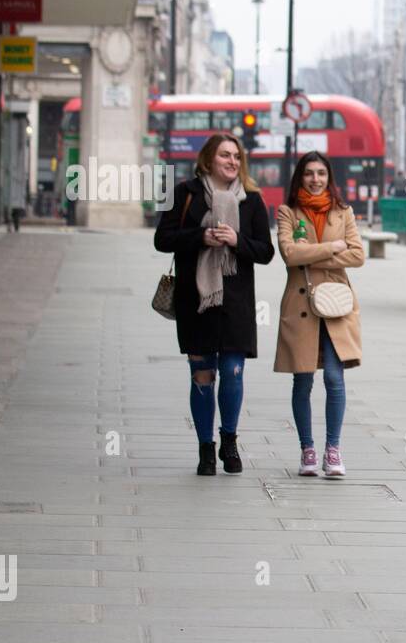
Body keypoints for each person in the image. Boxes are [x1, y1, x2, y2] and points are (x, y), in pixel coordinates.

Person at [153, 134, 275, 476]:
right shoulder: (185, 194)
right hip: (197, 300)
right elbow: (162, 239)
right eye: (225, 155)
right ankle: (206, 449)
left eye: (237, 156)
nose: (232, 162)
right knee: (202, 375)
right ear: (208, 159)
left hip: (236, 301)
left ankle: (230, 441)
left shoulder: (252, 200)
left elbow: (265, 252)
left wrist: (237, 241)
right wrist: (200, 237)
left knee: (233, 372)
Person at [275, 151, 365, 478]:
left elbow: (357, 256)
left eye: (322, 174)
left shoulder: (344, 212)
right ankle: (307, 449)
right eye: (309, 173)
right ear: (300, 177)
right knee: (303, 378)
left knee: (333, 377)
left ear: (329, 178)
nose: (316, 179)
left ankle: (333, 449)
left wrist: (310, 256)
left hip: (336, 305)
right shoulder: (287, 212)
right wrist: (332, 248)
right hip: (300, 306)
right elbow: (288, 254)